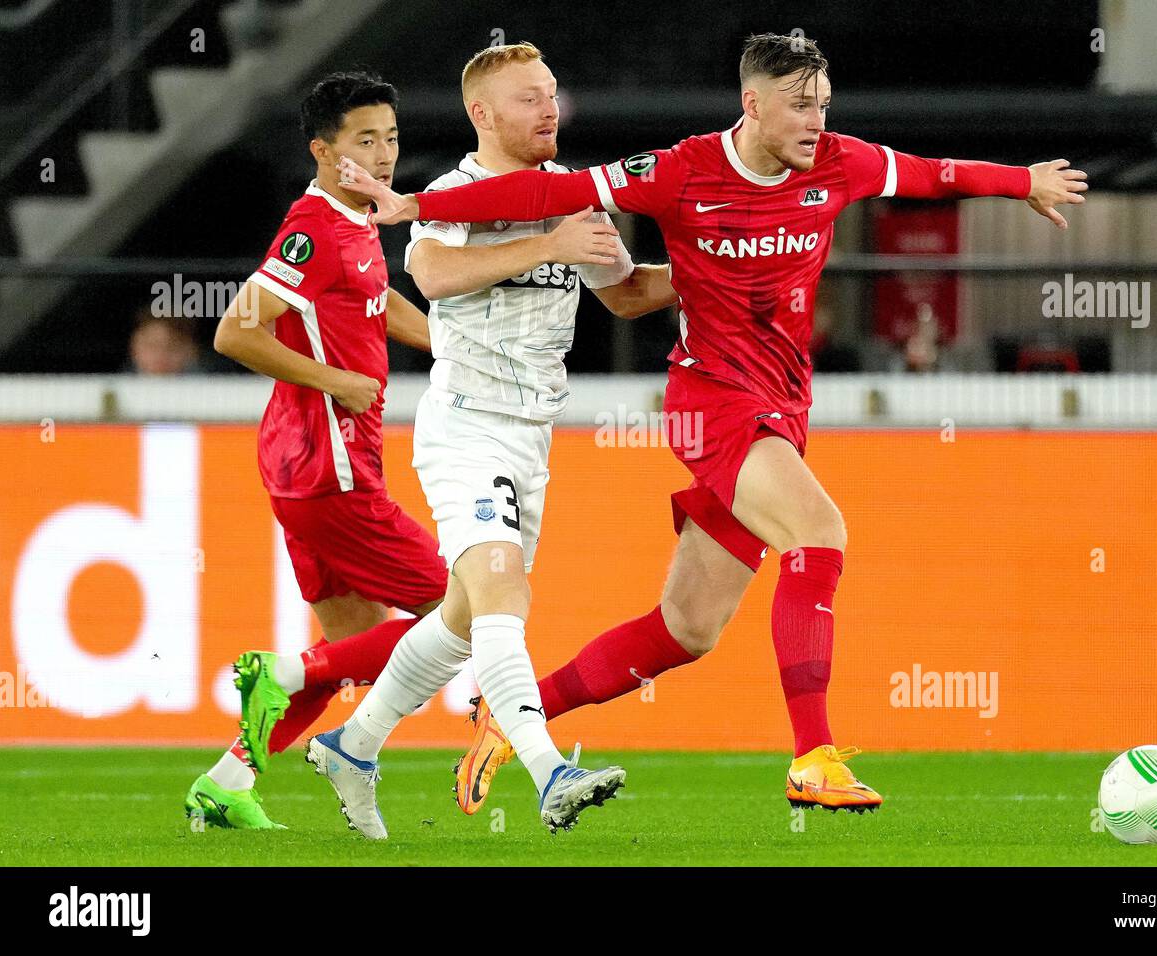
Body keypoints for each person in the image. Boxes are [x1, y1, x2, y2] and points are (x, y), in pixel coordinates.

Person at [340, 32, 1087, 815]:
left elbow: (932, 175)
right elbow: (541, 197)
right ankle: (813, 758)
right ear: (753, 103)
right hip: (711, 402)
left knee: (688, 628)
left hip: (783, 405)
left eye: (824, 106)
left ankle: (514, 714)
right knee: (819, 532)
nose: (816, 122)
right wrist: (416, 205)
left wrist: (1020, 181)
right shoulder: (678, 170)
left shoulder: (841, 162)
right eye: (801, 106)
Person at [303, 42, 678, 837]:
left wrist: (723, 270)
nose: (549, 110)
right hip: (466, 425)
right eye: (529, 99)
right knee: (506, 593)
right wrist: (546, 246)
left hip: (532, 438)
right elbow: (432, 276)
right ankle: (550, 772)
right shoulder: (452, 194)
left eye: (551, 94)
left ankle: (353, 742)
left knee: (464, 618)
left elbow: (631, 295)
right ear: (483, 113)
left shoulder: (577, 201)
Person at [184, 71, 449, 830]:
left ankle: (227, 779)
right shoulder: (312, 230)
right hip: (328, 467)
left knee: (354, 647)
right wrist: (337, 377)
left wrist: (445, 342)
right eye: (366, 140)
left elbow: (371, 299)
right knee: (458, 611)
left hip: (309, 468)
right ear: (323, 151)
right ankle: (280, 670)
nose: (386, 153)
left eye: (391, 138)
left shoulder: (358, 218)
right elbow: (235, 330)